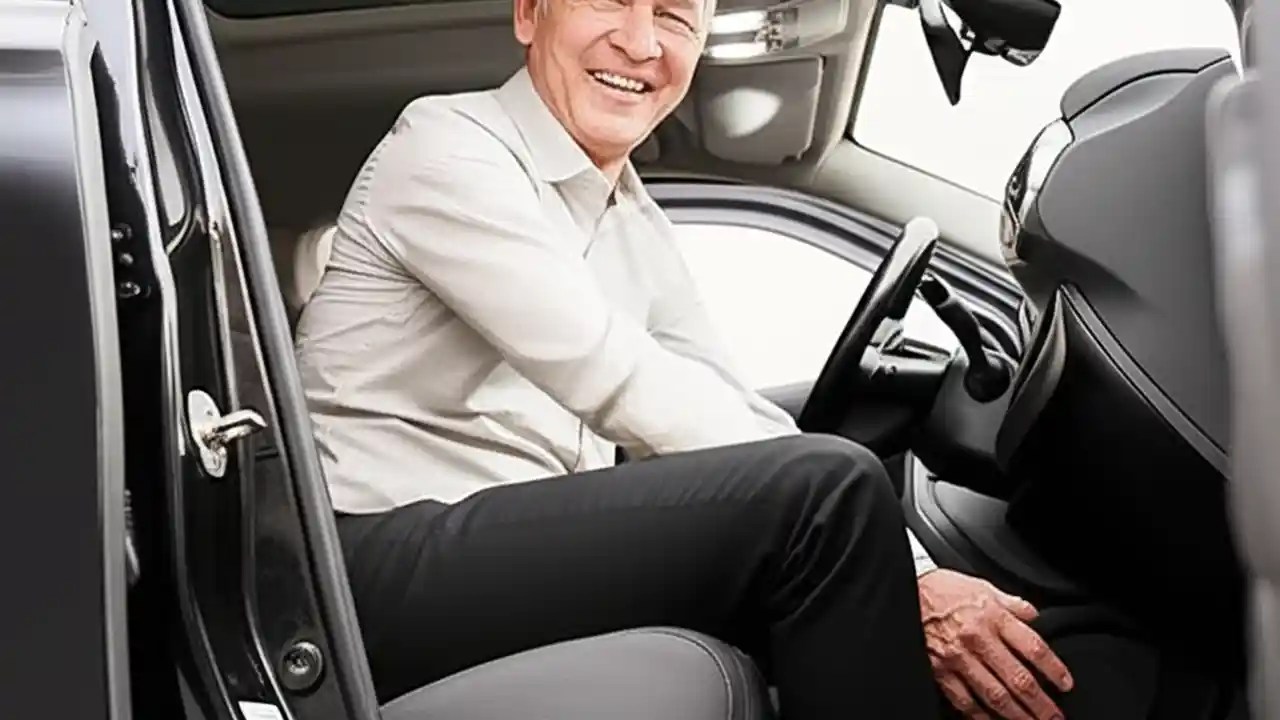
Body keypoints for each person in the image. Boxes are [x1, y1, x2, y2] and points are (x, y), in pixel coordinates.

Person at [292, 0, 1087, 716]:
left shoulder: (632, 216)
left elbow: (724, 398)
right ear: (529, 14)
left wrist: (906, 561)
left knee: (833, 516)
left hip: (488, 559)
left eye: (675, 17)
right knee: (826, 492)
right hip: (362, 568)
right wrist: (907, 577)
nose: (641, 42)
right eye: (610, 1)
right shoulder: (447, 145)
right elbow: (620, 379)